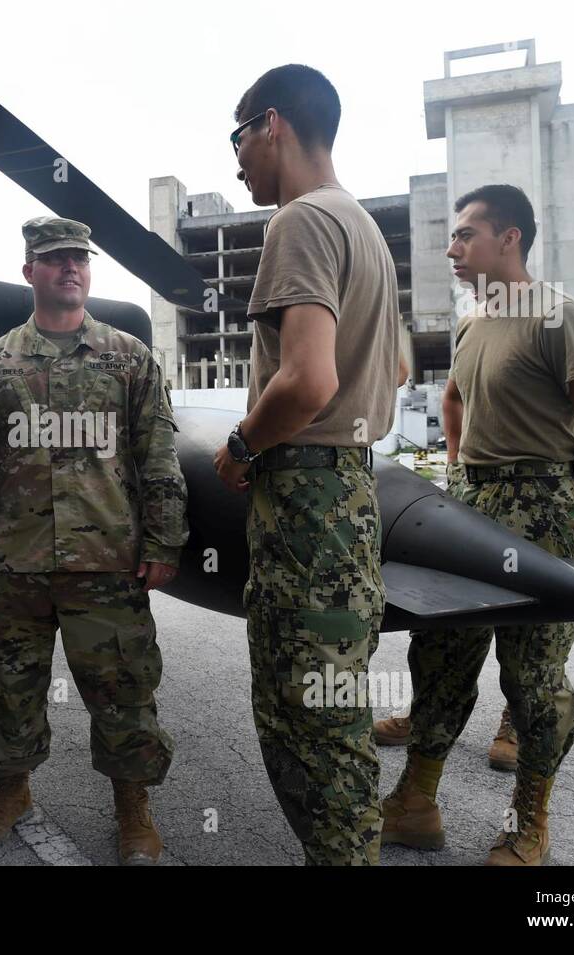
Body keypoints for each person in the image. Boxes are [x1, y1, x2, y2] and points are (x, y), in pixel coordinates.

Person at [380, 183, 574, 865]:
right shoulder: (472, 320)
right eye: (454, 236)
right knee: (440, 657)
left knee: (532, 680)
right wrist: (458, 468)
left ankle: (529, 824)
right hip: (471, 510)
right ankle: (416, 802)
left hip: (541, 513)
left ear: (510, 238)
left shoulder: (560, 315)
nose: (452, 247)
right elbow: (456, 397)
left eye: (466, 234)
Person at [0, 216, 188, 865]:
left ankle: (133, 808)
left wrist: (164, 540)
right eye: (54, 258)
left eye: (79, 256)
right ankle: (11, 790)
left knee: (124, 688)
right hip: (14, 563)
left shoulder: (129, 358)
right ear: (30, 272)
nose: (70, 267)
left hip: (106, 563)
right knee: (9, 685)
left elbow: (159, 457)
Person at [213, 65, 399, 865]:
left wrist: (243, 444)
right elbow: (385, 376)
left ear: (273, 125)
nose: (236, 161)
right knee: (337, 713)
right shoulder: (363, 227)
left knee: (307, 734)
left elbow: (310, 378)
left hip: (308, 500)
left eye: (238, 137)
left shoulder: (300, 222)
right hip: (353, 490)